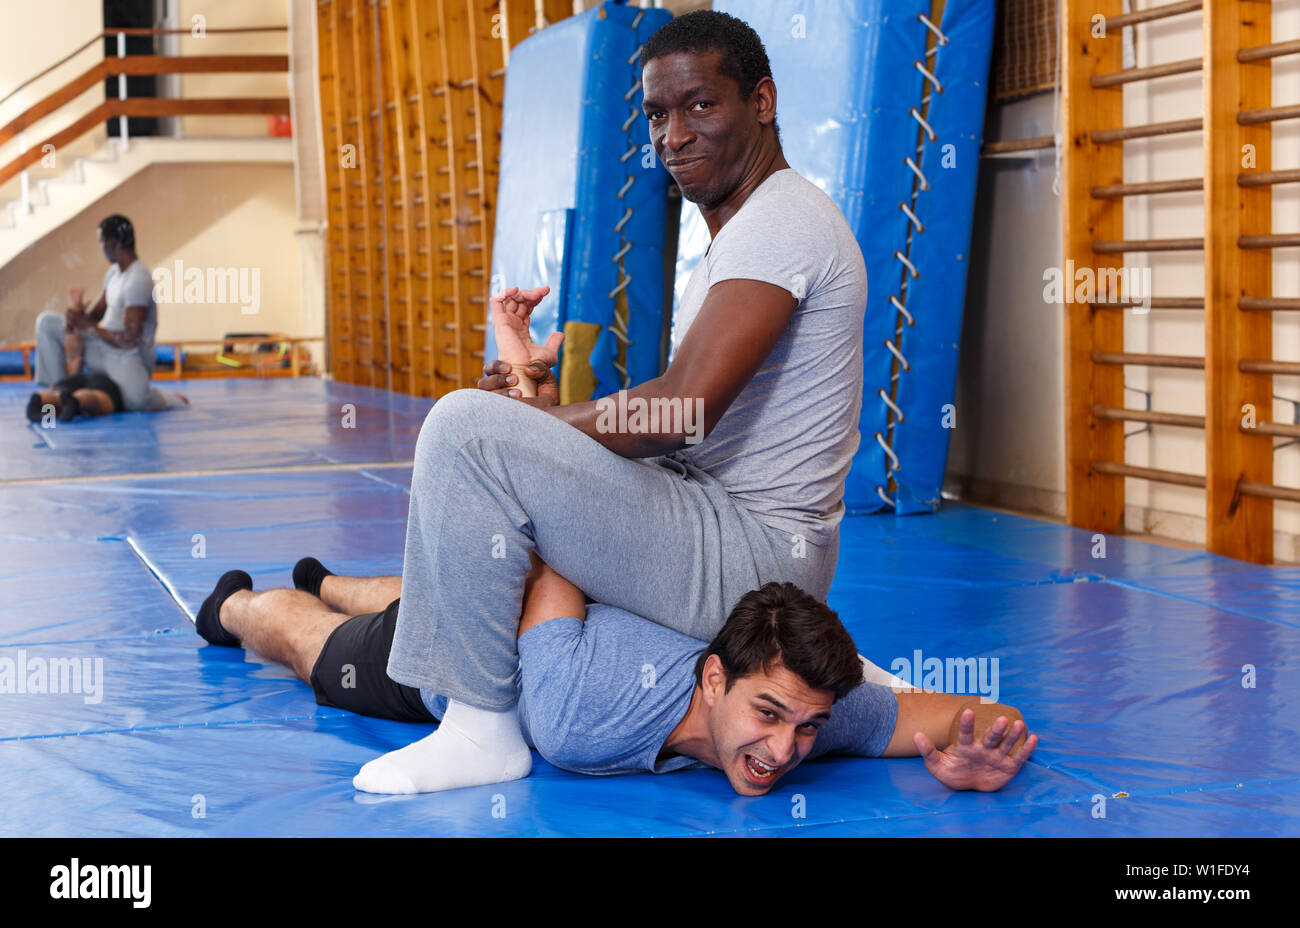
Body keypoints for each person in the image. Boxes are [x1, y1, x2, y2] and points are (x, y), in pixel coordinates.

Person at [364, 8, 873, 794]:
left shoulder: (781, 222)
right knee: (496, 446)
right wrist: (548, 424)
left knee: (465, 429)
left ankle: (478, 729)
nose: (674, 134)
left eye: (701, 104)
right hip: (719, 526)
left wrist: (530, 426)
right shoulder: (745, 231)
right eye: (658, 114)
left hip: (752, 556)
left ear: (763, 101)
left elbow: (680, 411)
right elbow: (678, 424)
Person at [193, 557, 1036, 796]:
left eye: (805, 726)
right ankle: (241, 605)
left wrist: (979, 750)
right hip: (463, 658)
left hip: (560, 626)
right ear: (714, 679)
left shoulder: (803, 720)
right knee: (316, 647)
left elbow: (961, 713)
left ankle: (327, 574)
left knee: (413, 587)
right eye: (772, 715)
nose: (785, 751)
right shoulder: (582, 716)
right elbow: (551, 565)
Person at [30, 214, 187, 416]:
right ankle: (58, 393)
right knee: (47, 323)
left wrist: (87, 326)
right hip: (103, 346)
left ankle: (168, 397)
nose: (102, 248)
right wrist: (77, 315)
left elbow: (130, 338)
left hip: (127, 356)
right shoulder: (113, 273)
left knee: (136, 403)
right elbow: (94, 316)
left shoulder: (138, 279)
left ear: (111, 243)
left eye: (102, 242)